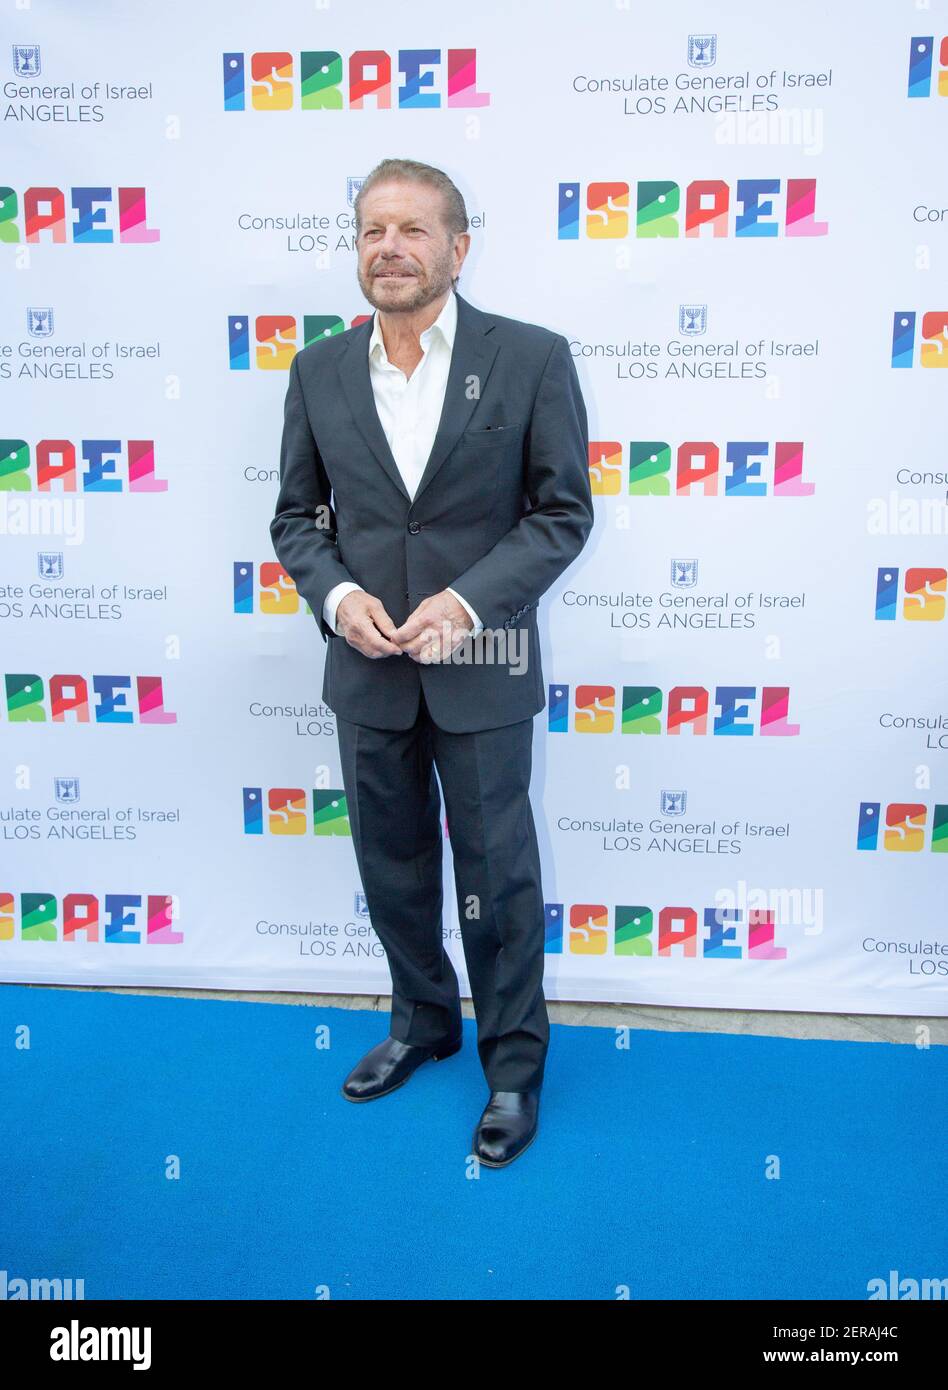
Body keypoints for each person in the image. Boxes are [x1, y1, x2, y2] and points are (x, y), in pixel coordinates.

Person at [270, 157, 593, 1167]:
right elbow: (296, 518)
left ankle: (512, 1065)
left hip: (483, 660)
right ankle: (421, 1021)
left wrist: (465, 601)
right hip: (366, 668)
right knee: (393, 865)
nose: (390, 248)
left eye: (413, 230)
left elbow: (562, 513)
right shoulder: (318, 368)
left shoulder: (532, 358)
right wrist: (337, 595)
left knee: (497, 875)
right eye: (373, 230)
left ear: (459, 247)